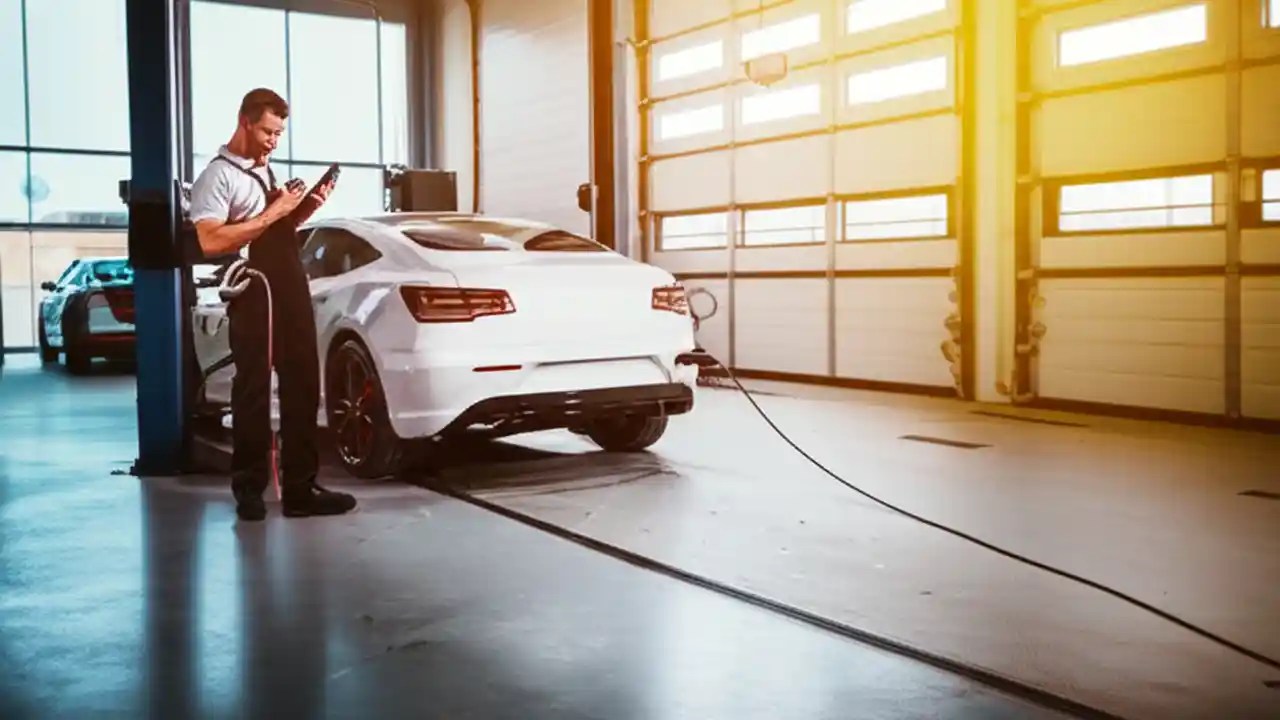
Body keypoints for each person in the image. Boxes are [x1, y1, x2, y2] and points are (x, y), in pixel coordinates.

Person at [188, 88, 357, 521]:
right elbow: (210, 240)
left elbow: (272, 230)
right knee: (253, 391)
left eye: (279, 133)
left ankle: (301, 490)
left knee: (302, 385)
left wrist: (302, 211)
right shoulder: (217, 176)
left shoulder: (264, 169)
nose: (273, 141)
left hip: (289, 285)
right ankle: (249, 492)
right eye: (267, 131)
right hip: (255, 289)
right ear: (245, 121)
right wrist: (275, 209)